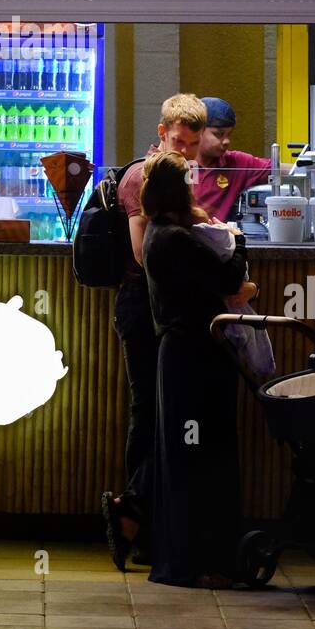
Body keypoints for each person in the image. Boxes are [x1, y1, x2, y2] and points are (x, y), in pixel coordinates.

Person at [101, 92, 207, 570]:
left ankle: (141, 516)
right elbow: (145, 254)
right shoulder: (142, 178)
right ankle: (134, 515)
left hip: (158, 307)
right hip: (142, 306)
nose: (185, 152)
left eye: (192, 145)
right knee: (150, 410)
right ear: (161, 133)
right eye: (179, 142)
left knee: (161, 411)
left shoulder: (176, 175)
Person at [142, 151, 249, 588]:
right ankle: (204, 561)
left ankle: (177, 559)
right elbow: (229, 279)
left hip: (176, 354)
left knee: (180, 458)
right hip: (200, 355)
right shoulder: (179, 240)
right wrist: (235, 239)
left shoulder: (156, 234)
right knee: (207, 457)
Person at [194, 95, 272, 224]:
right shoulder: (178, 163)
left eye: (229, 134)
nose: (226, 141)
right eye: (218, 134)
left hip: (218, 240)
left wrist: (311, 162)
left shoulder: (237, 162)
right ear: (197, 131)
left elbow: (281, 169)